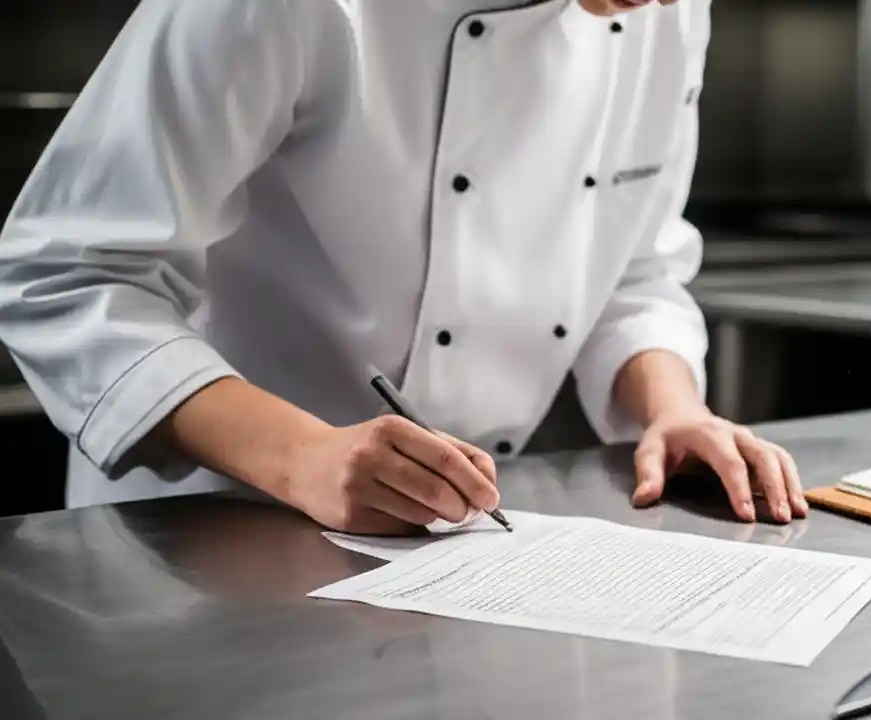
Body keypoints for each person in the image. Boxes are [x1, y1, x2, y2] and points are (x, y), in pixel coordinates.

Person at [0, 0, 807, 533]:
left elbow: (632, 269)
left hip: (451, 546)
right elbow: (70, 274)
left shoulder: (661, 11)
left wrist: (674, 409)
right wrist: (304, 456)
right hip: (201, 531)